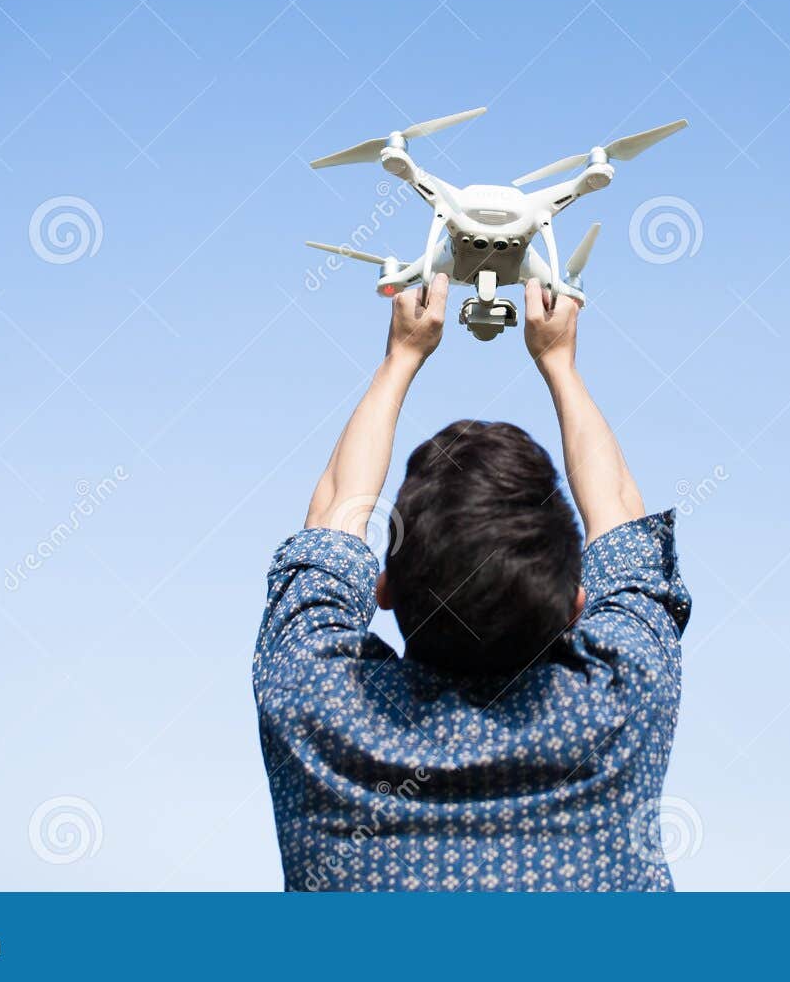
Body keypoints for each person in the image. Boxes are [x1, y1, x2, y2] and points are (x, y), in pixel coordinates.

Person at [254, 273, 691, 891]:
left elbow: (332, 517)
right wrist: (559, 363)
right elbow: (618, 516)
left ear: (382, 590)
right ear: (575, 606)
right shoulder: (623, 699)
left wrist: (400, 356)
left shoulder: (315, 703)